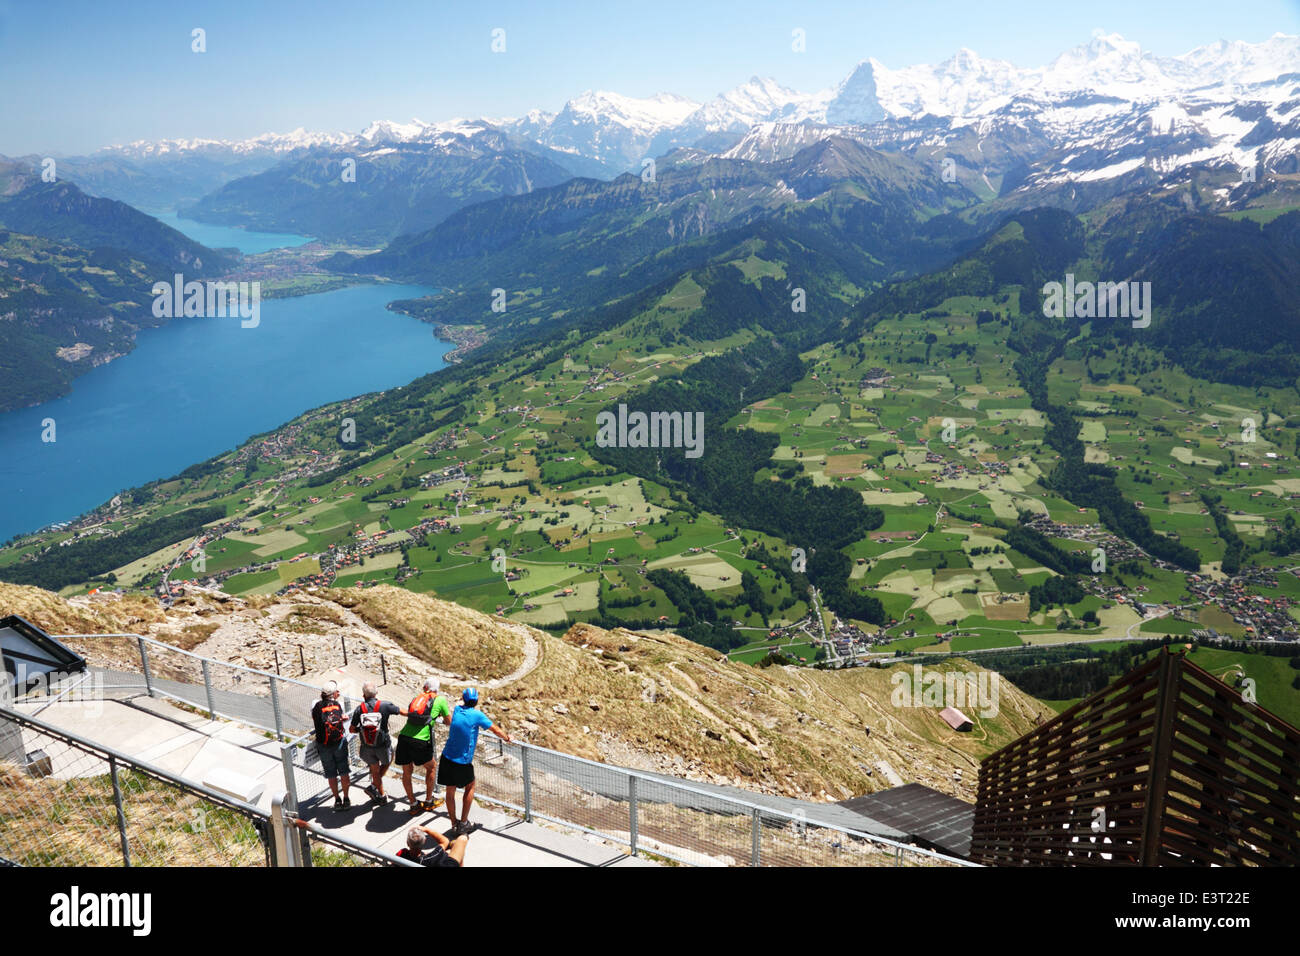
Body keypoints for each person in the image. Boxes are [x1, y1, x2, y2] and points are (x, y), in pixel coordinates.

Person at [439, 687, 511, 834]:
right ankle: (464, 822)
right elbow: (495, 730)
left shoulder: (458, 710)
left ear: (464, 699)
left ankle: (454, 823)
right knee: (470, 786)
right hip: (462, 761)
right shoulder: (477, 715)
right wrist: (508, 738)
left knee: (450, 790)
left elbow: (459, 704)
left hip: (447, 756)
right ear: (477, 701)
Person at [395, 677, 452, 815]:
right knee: (431, 767)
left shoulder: (418, 697)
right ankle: (428, 801)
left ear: (425, 687)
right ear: (437, 690)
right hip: (421, 740)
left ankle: (413, 803)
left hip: (404, 737)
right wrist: (438, 718)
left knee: (407, 771)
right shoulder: (440, 700)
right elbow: (449, 721)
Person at [349, 681, 403, 804]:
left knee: (375, 770)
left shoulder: (359, 709)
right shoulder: (385, 706)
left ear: (363, 695)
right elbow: (402, 712)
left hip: (366, 746)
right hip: (382, 745)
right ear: (376, 693)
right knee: (388, 760)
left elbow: (351, 730)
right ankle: (375, 788)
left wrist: (362, 730)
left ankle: (380, 793)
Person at [310, 680, 351, 810]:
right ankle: (346, 798)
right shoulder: (337, 705)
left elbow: (315, 719)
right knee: (344, 772)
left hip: (323, 745)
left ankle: (337, 800)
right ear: (333, 694)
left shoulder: (316, 706)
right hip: (339, 742)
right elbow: (341, 718)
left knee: (331, 774)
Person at [395, 824, 471, 868]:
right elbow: (445, 841)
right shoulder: (432, 856)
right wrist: (426, 830)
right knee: (462, 839)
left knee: (452, 847)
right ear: (424, 841)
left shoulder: (402, 854)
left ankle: (454, 844)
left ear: (408, 843)